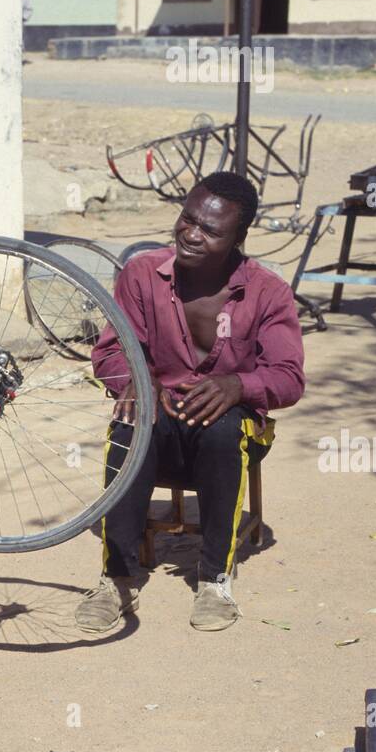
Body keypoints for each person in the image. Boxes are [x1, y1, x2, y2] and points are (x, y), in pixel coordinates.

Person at [79, 171, 304, 634]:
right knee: (129, 423)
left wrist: (237, 386)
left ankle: (213, 579)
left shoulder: (267, 292)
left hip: (230, 436)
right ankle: (116, 578)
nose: (191, 234)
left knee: (225, 428)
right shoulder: (142, 274)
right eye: (187, 219)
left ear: (238, 238)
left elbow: (289, 378)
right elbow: (109, 350)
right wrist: (136, 380)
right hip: (159, 427)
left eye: (210, 230)